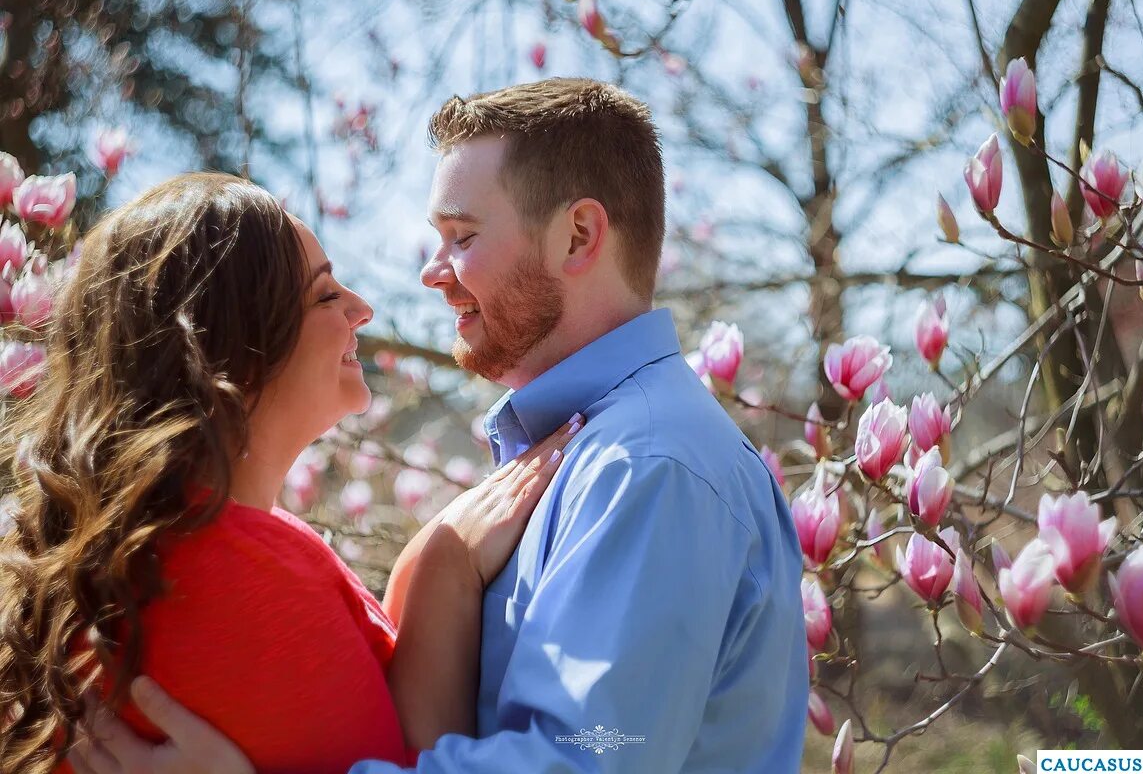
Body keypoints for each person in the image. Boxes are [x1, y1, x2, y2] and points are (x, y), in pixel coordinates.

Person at [71, 77, 810, 773]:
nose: (432, 271)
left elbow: (590, 752)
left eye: (461, 236)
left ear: (580, 236)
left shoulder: (645, 467)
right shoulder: (587, 454)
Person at [0, 172, 581, 774]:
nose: (362, 309)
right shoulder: (237, 576)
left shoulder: (142, 556)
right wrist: (446, 569)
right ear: (233, 347)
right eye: (326, 295)